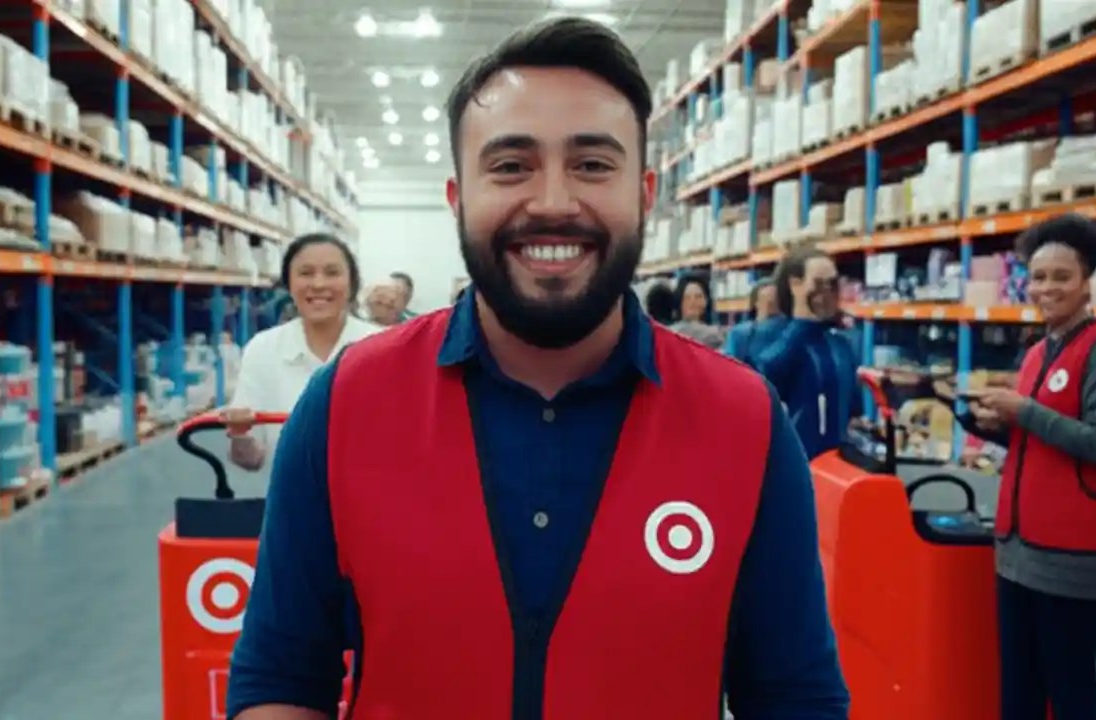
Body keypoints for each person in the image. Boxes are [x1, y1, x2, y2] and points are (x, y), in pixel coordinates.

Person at [226, 17, 848, 720]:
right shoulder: (345, 404)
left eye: (591, 165)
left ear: (644, 195)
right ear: (458, 200)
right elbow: (279, 676)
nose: (553, 202)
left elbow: (796, 698)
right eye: (511, 165)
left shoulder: (745, 421)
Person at [959, 214, 1096, 720]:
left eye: (1062, 276)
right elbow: (1037, 435)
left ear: (1087, 283)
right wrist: (993, 422)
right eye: (1038, 277)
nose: (1046, 288)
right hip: (1019, 549)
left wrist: (1024, 412)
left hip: (1072, 555)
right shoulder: (1039, 351)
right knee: (1018, 684)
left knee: (1069, 687)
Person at [221, 233, 382, 471]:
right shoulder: (264, 349)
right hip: (293, 503)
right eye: (305, 273)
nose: (318, 284)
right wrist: (239, 435)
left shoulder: (383, 346)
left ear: (352, 283)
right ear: (289, 283)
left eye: (332, 273)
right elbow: (252, 461)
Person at [749, 245, 859, 459]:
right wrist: (802, 321)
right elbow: (767, 380)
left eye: (832, 283)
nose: (826, 292)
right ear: (794, 284)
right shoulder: (769, 335)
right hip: (792, 465)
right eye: (818, 283)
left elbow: (852, 406)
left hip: (834, 465)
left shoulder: (840, 342)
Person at [723, 278, 777, 362]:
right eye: (767, 300)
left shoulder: (790, 329)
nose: (772, 302)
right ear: (756, 302)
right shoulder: (741, 333)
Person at [669, 274, 724, 349]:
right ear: (679, 300)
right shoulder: (669, 333)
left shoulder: (714, 336)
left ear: (706, 301)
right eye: (687, 297)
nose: (693, 302)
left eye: (698, 297)